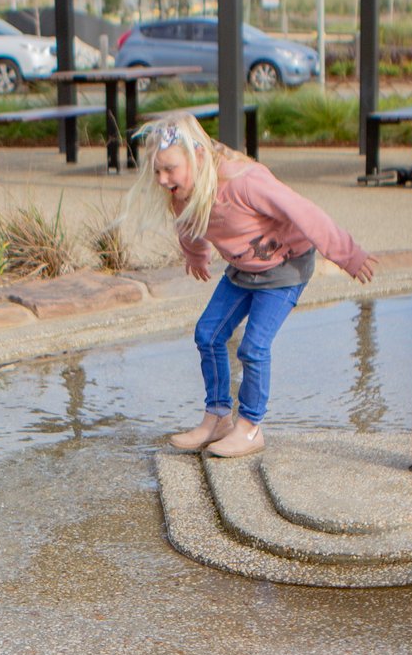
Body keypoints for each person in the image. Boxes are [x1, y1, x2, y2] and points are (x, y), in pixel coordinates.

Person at [123, 113, 378, 460]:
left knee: (253, 348)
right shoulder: (182, 193)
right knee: (208, 334)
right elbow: (188, 224)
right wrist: (196, 255)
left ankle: (250, 427)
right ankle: (218, 418)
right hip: (244, 269)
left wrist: (346, 253)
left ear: (197, 157)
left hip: (285, 269)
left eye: (169, 168)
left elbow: (304, 211)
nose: (163, 178)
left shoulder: (244, 182)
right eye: (156, 171)